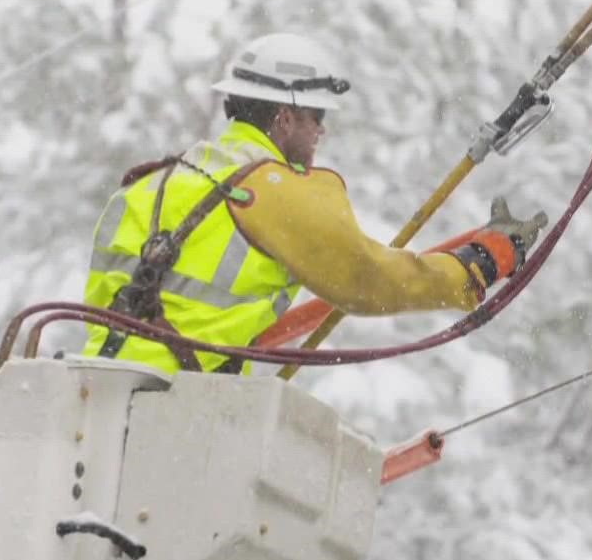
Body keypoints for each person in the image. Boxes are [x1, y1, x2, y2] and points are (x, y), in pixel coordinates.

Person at [82, 32, 546, 375]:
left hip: (97, 382)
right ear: (284, 117)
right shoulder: (274, 191)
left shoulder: (146, 185)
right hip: (179, 403)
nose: (321, 131)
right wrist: (477, 267)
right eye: (316, 118)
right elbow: (370, 281)